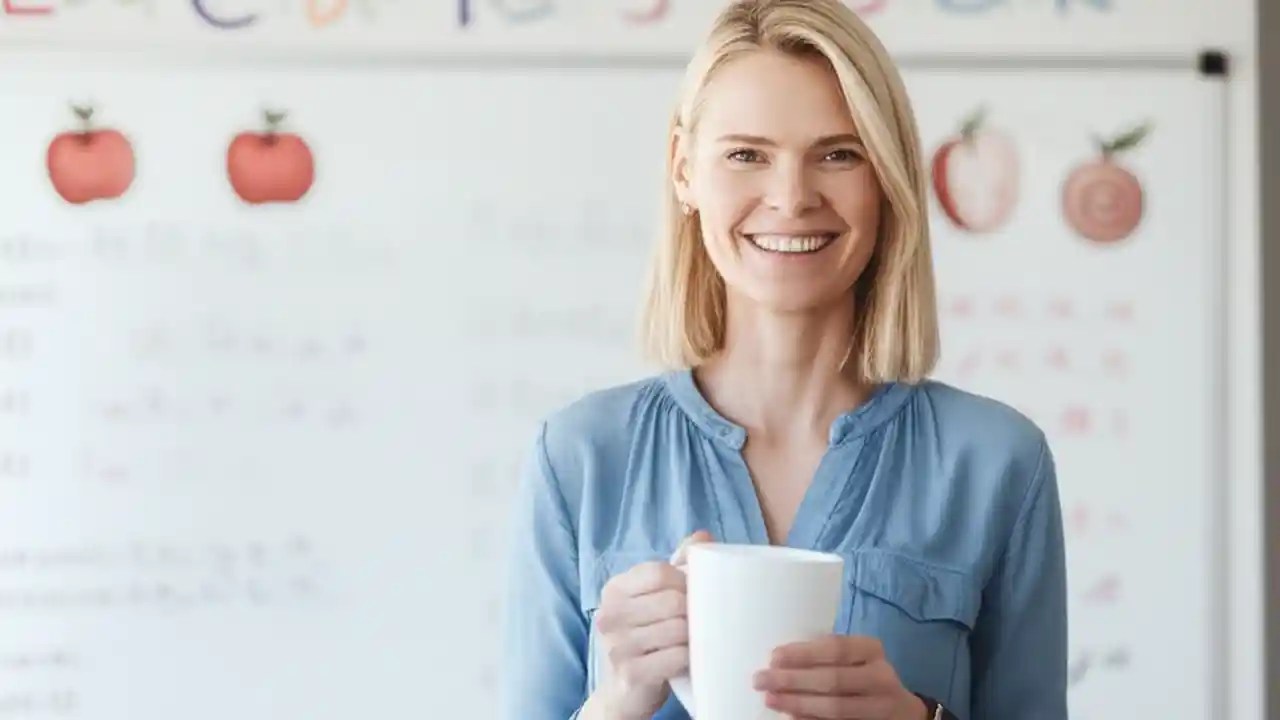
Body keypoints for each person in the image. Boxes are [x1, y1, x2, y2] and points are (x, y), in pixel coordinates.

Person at [502, 0, 1069, 718]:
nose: (792, 198)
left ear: (887, 179)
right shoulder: (579, 457)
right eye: (746, 155)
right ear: (684, 170)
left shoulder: (996, 462)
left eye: (839, 153)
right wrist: (617, 699)